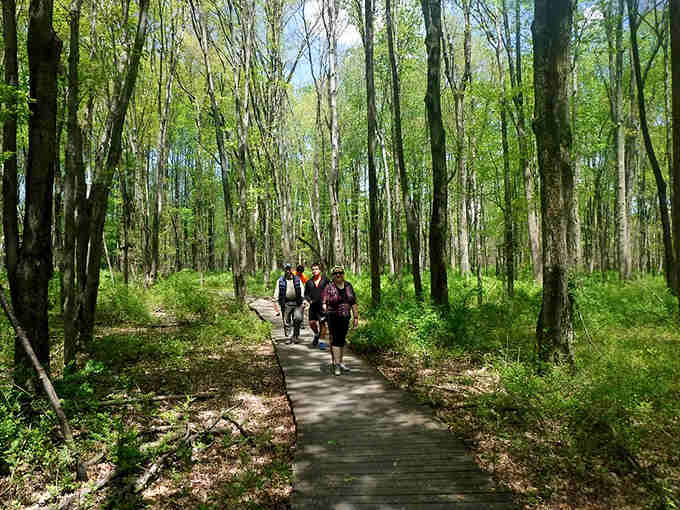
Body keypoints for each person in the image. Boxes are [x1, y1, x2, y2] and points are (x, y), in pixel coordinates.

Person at [321, 265, 358, 376]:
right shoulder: (329, 286)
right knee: (336, 339)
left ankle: (341, 362)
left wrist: (356, 317)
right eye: (335, 273)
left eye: (340, 273)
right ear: (332, 275)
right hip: (333, 316)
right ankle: (336, 365)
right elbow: (324, 302)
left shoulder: (348, 286)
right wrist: (325, 313)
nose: (338, 275)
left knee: (342, 340)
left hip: (346, 316)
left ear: (343, 274)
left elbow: (353, 302)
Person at [273, 263, 305, 344]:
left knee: (298, 318)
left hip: (297, 302)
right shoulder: (280, 280)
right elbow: (277, 291)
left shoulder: (297, 279)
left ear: (291, 270)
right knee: (287, 321)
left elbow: (302, 289)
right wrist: (275, 301)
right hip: (286, 303)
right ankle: (289, 336)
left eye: (289, 269)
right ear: (284, 270)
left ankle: (296, 336)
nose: (287, 271)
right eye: (286, 269)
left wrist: (304, 300)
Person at [304, 262, 329, 347]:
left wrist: (327, 302)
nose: (314, 271)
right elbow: (306, 294)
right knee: (312, 323)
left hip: (323, 306)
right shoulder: (309, 282)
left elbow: (330, 291)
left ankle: (321, 343)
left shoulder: (325, 280)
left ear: (320, 270)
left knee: (322, 323)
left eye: (316, 269)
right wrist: (308, 300)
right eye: (313, 269)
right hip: (313, 306)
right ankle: (316, 334)